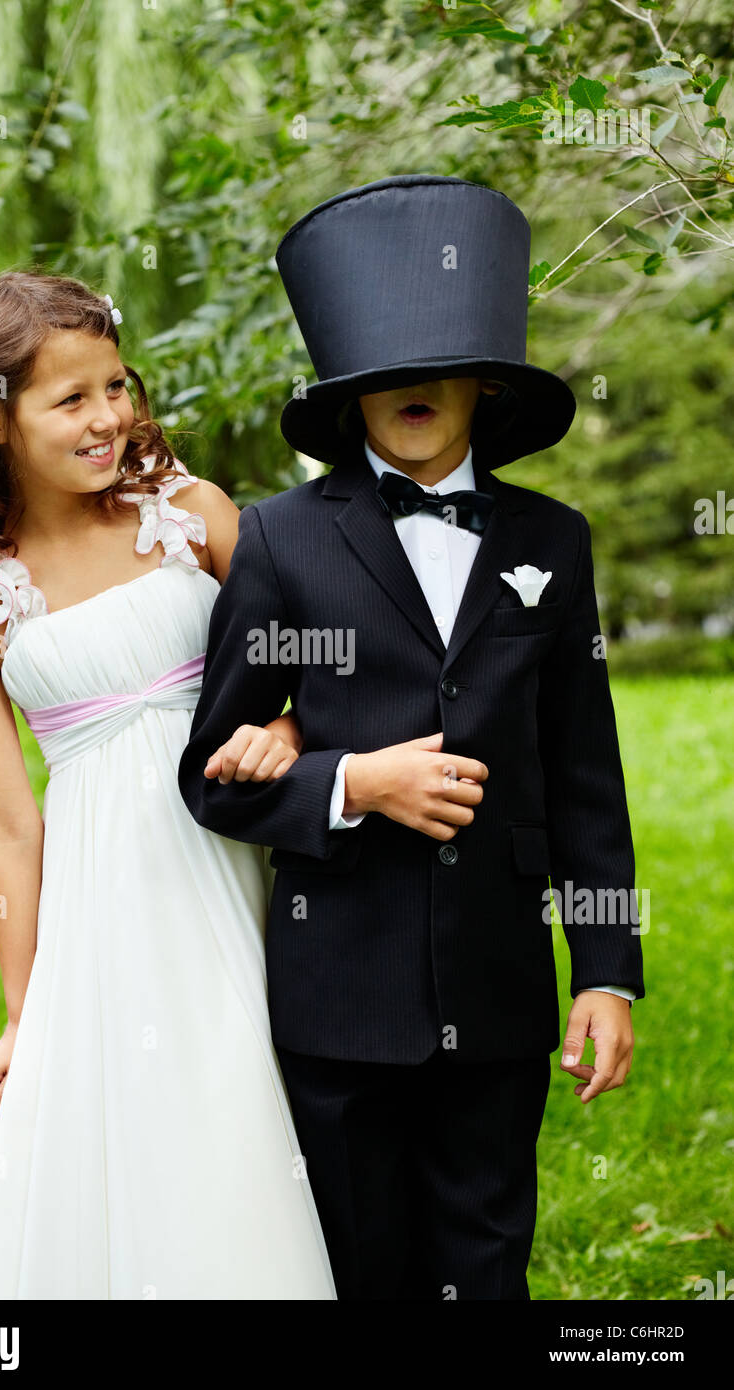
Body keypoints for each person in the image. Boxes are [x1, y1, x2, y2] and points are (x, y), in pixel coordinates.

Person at [177, 175, 645, 1301]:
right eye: (380, 371)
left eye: (436, 363)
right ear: (346, 398)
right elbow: (210, 774)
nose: (410, 389)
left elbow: (585, 770)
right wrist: (349, 779)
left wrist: (606, 971)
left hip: (495, 984)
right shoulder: (283, 542)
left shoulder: (552, 541)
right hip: (341, 988)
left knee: (485, 1256)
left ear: (485, 383)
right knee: (360, 1261)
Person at [0, 270, 336, 1299]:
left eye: (117, 385)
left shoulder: (192, 516)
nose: (109, 417)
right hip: (103, 900)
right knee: (130, 1108)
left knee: (250, 1086)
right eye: (71, 400)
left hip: (237, 845)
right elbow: (7, 817)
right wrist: (25, 1010)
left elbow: (321, 665)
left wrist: (285, 725)